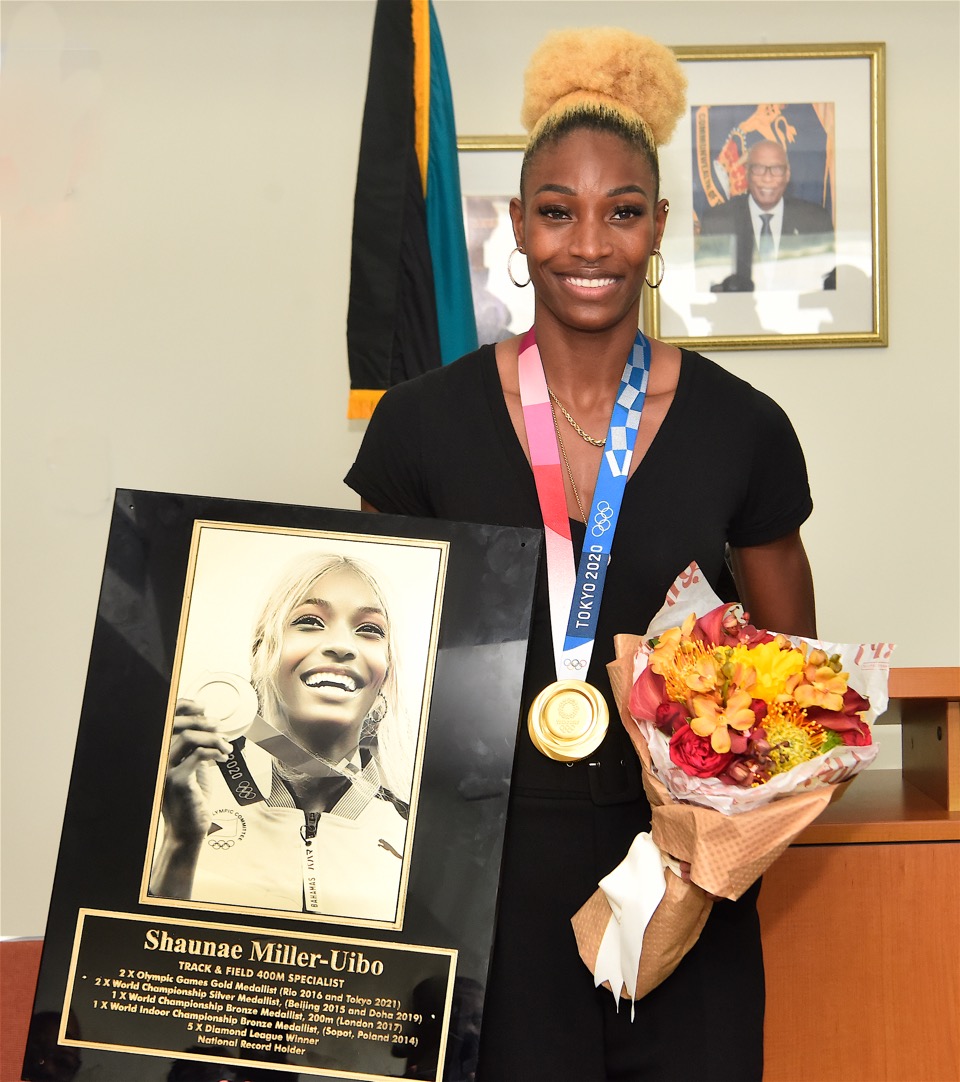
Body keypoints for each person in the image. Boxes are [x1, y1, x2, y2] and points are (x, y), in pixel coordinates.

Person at [346, 26, 816, 1081]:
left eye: (622, 212)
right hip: (484, 868)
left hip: (681, 864)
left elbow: (795, 677)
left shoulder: (743, 427)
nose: (589, 244)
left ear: (661, 225)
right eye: (557, 212)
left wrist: (713, 837)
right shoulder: (421, 426)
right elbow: (372, 641)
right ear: (518, 225)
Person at [149, 552, 412, 923]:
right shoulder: (179, 793)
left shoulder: (416, 830)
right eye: (309, 621)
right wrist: (179, 842)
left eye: (370, 629)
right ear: (262, 653)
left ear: (386, 675)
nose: (342, 645)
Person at [699, 139, 835, 292]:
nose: (767, 178)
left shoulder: (815, 221)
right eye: (758, 168)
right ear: (746, 173)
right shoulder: (717, 222)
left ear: (787, 174)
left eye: (776, 169)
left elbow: (826, 289)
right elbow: (708, 288)